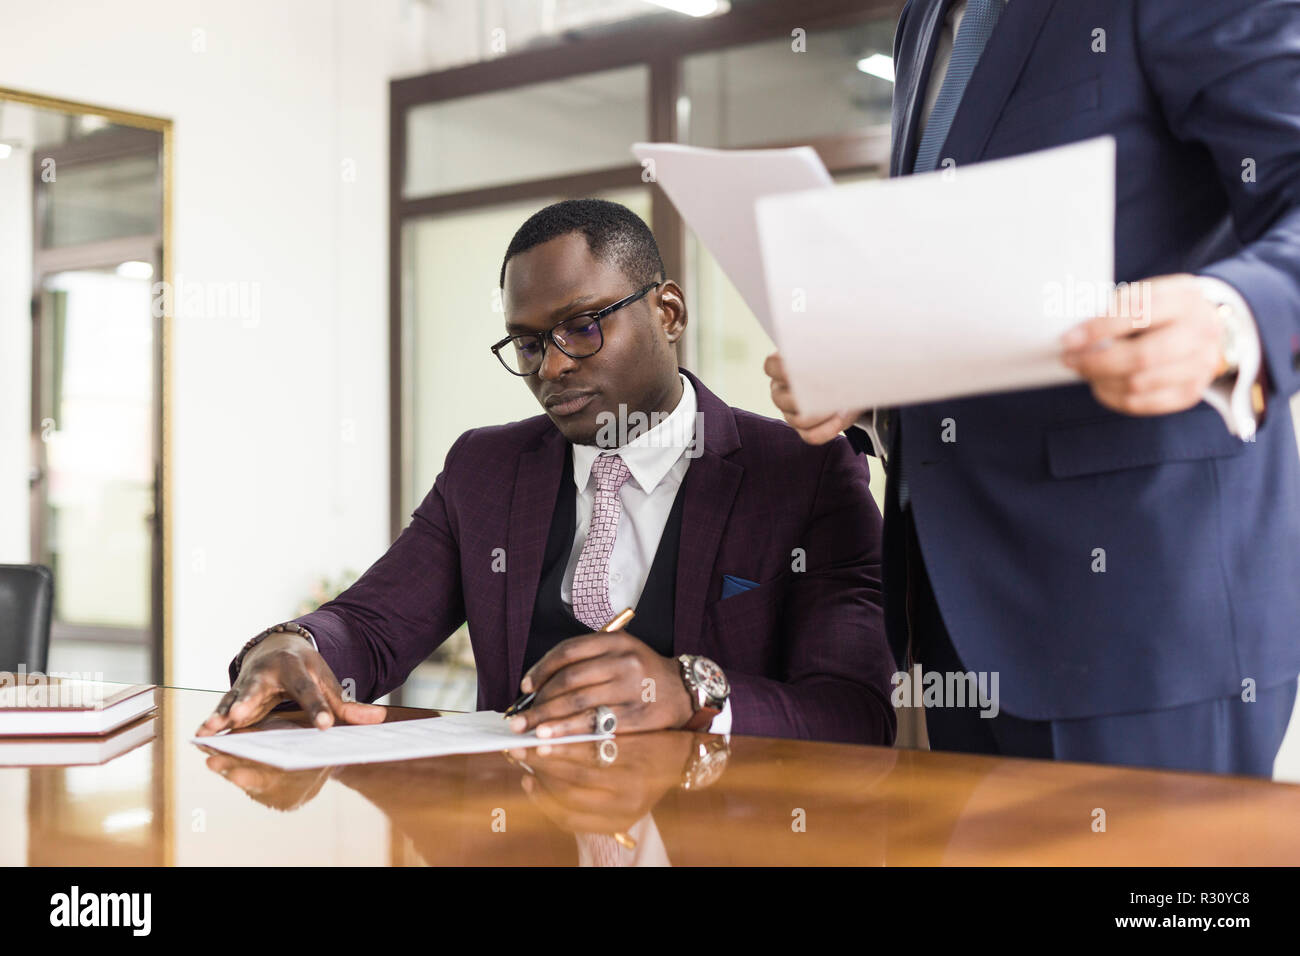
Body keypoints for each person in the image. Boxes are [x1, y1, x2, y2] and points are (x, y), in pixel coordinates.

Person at [767, 0, 1300, 775]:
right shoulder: (925, 21)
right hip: (951, 614)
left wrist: (1229, 316)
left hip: (1139, 609)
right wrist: (869, 371)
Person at [199, 199, 896, 746]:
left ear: (669, 312)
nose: (554, 366)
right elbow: (373, 626)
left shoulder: (804, 474)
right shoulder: (485, 468)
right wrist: (297, 647)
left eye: (584, 326)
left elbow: (854, 712)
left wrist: (693, 691)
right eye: (528, 344)